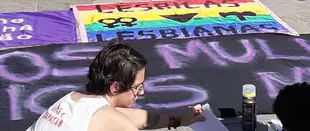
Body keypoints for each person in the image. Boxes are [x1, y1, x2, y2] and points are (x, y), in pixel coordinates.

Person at [26, 41, 204, 131]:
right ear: (116, 87)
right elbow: (124, 122)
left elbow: (143, 118)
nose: (141, 93)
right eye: (137, 87)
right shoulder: (112, 119)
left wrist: (183, 119)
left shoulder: (75, 98)